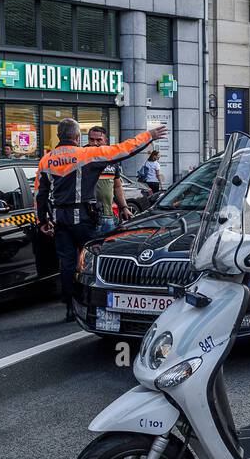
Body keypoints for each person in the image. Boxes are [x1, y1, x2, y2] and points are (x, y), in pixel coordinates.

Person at [35, 118, 166, 322]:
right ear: (78, 137)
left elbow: (39, 195)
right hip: (85, 219)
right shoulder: (87, 154)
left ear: (59, 136)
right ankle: (94, 304)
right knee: (92, 261)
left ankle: (70, 307)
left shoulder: (46, 160)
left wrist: (42, 220)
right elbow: (124, 149)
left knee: (67, 263)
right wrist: (148, 136)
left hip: (60, 220)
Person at [86, 125, 132, 235]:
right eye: (91, 140)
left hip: (108, 217)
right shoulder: (82, 157)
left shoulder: (111, 159)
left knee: (106, 250)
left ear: (105, 141)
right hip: (87, 217)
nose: (94, 143)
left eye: (99, 140)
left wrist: (124, 207)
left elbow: (117, 187)